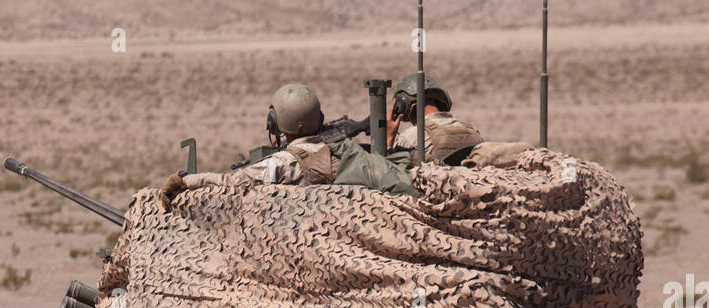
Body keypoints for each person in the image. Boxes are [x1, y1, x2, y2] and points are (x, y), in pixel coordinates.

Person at [159, 82, 419, 208]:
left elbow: (231, 184)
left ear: (276, 122)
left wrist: (186, 181)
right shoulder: (345, 153)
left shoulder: (285, 163)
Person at [386, 72, 484, 166]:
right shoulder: (473, 132)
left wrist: (388, 140)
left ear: (402, 104)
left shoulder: (412, 136)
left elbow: (389, 171)